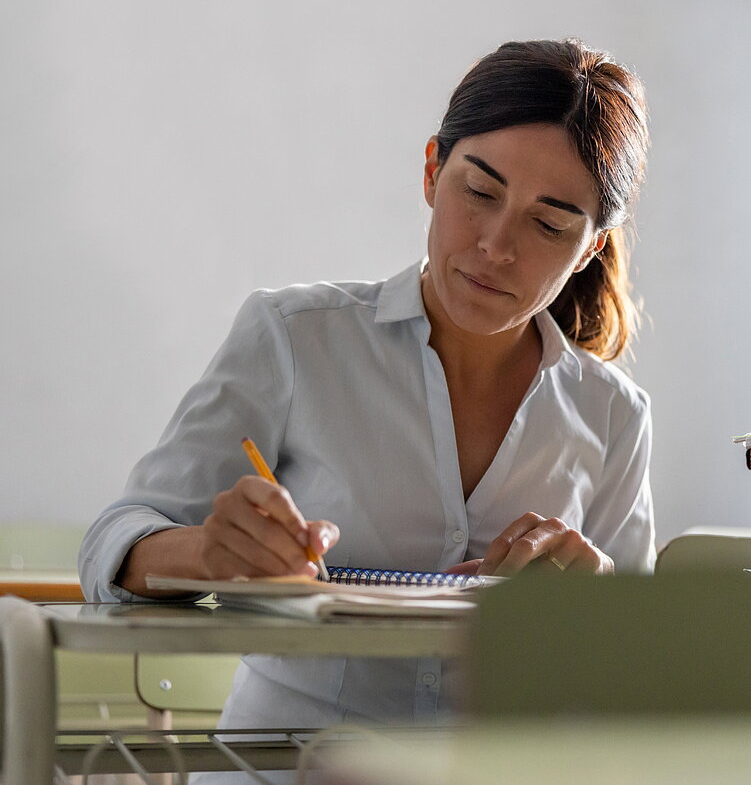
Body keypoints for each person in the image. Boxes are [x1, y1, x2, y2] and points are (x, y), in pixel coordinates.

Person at [78, 39, 655, 733]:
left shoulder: (614, 416)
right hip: (282, 770)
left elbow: (636, 688)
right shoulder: (294, 338)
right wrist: (204, 552)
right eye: (479, 192)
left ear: (589, 247)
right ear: (431, 172)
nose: (497, 245)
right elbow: (115, 537)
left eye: (548, 224)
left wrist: (598, 613)